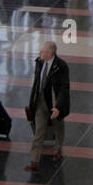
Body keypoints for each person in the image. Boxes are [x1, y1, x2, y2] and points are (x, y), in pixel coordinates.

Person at [25, 39, 70, 170]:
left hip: (54, 104)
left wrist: (59, 107)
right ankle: (34, 161)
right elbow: (36, 83)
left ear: (50, 53)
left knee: (58, 127)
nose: (40, 52)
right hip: (40, 102)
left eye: (42, 51)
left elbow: (64, 88)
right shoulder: (39, 62)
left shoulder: (61, 66)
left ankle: (57, 150)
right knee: (39, 131)